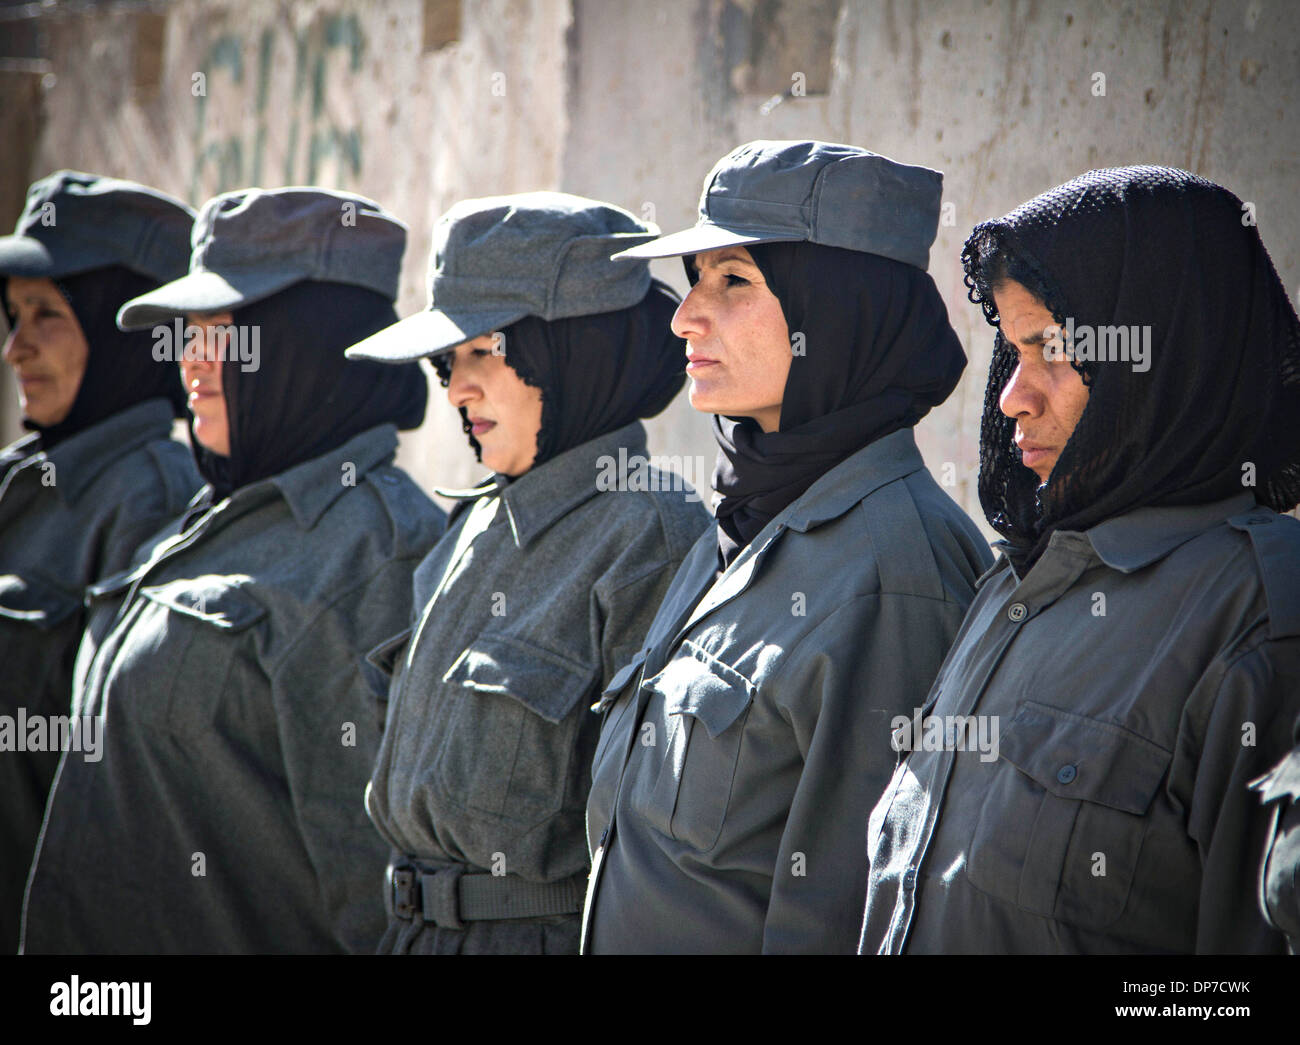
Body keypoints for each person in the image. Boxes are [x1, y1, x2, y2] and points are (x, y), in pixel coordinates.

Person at [859, 165, 1300, 955]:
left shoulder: (1258, 614)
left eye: (1054, 349)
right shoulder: (1018, 578)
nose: (1011, 397)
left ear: (1171, 354)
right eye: (1011, 349)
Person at [580, 139, 992, 954]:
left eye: (732, 280)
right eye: (694, 279)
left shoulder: (894, 569)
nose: (684, 315)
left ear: (835, 311)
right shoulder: (747, 512)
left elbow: (848, 915)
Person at [21, 187, 445, 954]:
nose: (193, 362)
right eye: (189, 333)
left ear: (311, 342)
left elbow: (380, 897)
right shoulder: (214, 509)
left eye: (226, 334)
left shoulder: (378, 552)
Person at [346, 192, 710, 954]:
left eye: (486, 351)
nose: (455, 388)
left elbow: (666, 859)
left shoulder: (650, 535)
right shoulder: (472, 524)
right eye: (450, 360)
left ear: (574, 352)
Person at [0, 171, 200, 953]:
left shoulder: (150, 498)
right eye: (14, 314)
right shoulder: (25, 476)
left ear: (126, 332)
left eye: (50, 313)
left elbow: (122, 791)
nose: (16, 346)